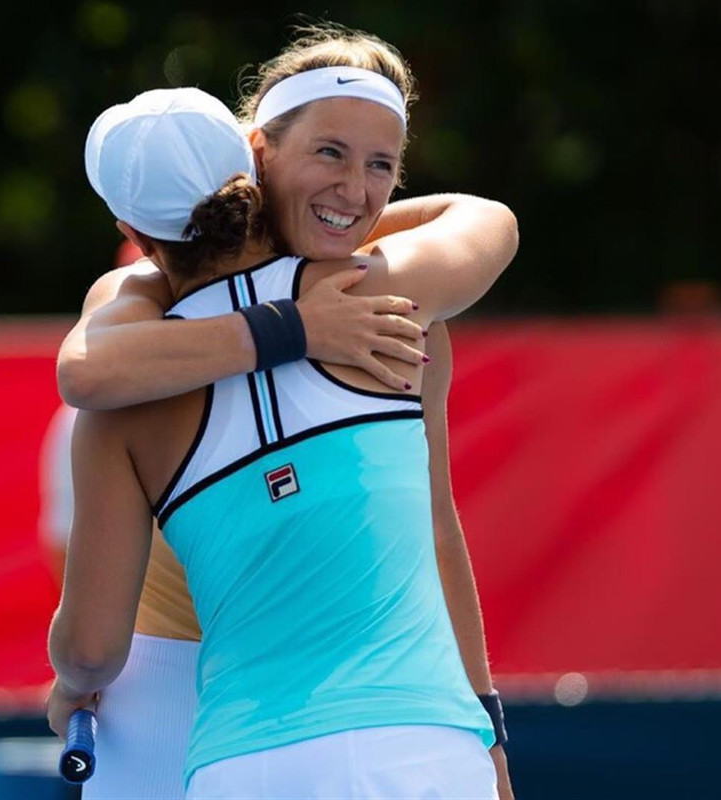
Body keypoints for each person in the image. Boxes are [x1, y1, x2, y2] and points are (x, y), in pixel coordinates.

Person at [51, 28, 517, 799]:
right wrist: (295, 326)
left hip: (237, 730)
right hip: (185, 685)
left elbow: (438, 527)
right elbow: (83, 371)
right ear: (255, 157)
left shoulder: (372, 291)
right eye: (329, 153)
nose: (356, 191)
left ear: (132, 229)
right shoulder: (389, 304)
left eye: (382, 167)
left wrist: (486, 721)